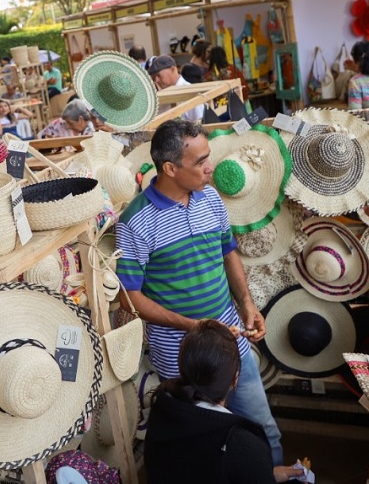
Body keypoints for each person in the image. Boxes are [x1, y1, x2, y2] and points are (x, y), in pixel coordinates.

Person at [115, 120, 282, 465]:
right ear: (170, 168)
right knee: (198, 441)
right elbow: (129, 297)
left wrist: (246, 303)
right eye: (201, 161)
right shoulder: (136, 222)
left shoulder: (211, 200)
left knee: (262, 428)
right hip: (181, 356)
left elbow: (228, 251)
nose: (211, 168)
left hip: (230, 339)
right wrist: (191, 326)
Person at [146, 320, 307, 484]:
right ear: (235, 379)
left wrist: (267, 474)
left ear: (182, 369)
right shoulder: (243, 445)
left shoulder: (161, 409)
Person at [146, 55, 205, 122]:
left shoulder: (188, 91)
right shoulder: (159, 92)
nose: (156, 80)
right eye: (153, 77)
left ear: (173, 69)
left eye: (159, 75)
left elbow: (199, 121)